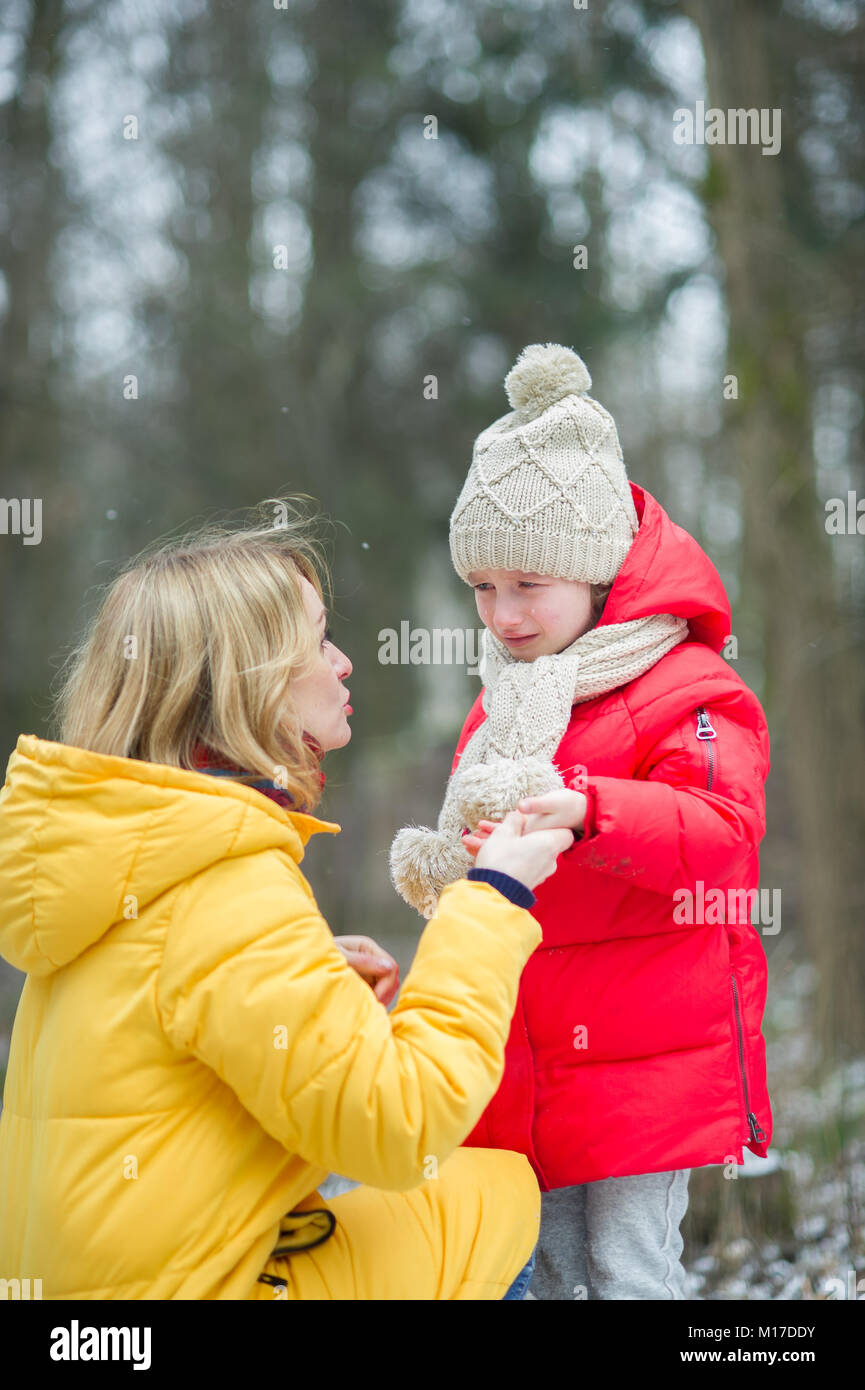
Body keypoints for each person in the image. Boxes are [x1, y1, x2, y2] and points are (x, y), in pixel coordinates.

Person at [0, 503, 574, 1300]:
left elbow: (162, 1014)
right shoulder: (222, 882)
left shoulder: (115, 851)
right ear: (249, 678)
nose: (342, 663)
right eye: (316, 640)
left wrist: (316, 984)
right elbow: (399, 1127)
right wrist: (493, 896)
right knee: (492, 1196)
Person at [390, 343, 773, 1300]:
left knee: (629, 1269)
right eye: (483, 588)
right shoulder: (507, 697)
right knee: (552, 1270)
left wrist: (591, 809)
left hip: (645, 1044)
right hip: (533, 1049)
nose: (503, 614)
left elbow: (723, 831)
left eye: (528, 585)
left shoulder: (685, 683)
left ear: (595, 571)